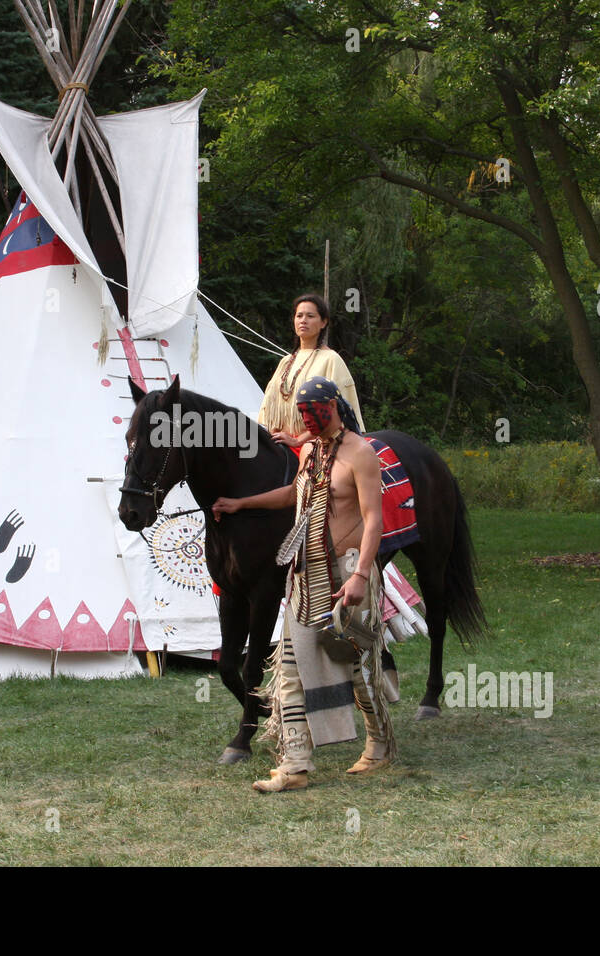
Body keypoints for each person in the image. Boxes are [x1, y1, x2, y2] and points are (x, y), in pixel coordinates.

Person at [213, 377, 397, 793]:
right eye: (302, 414)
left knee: (358, 669)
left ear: (332, 406)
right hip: (303, 574)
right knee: (291, 671)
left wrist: (360, 575)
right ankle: (294, 765)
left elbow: (374, 520)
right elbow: (294, 497)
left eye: (312, 412)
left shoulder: (361, 455)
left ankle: (379, 742)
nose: (306, 421)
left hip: (347, 573)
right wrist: (242, 504)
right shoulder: (310, 449)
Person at [257, 294, 365, 448]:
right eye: (299, 315)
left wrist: (298, 441)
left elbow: (340, 414)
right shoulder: (285, 362)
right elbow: (268, 409)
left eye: (310, 316)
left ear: (323, 322)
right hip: (281, 445)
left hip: (317, 446)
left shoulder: (331, 359)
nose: (303, 320)